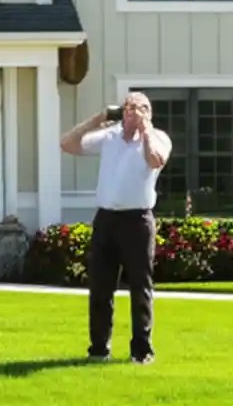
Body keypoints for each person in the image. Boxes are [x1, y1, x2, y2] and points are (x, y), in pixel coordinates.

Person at [59, 91, 171, 364]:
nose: (134, 112)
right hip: (107, 220)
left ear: (150, 112)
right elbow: (67, 144)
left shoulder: (158, 138)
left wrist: (144, 130)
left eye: (141, 107)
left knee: (140, 286)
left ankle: (141, 351)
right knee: (101, 286)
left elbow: (155, 160)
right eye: (129, 107)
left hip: (138, 221)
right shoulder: (109, 137)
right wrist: (99, 118)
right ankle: (98, 349)